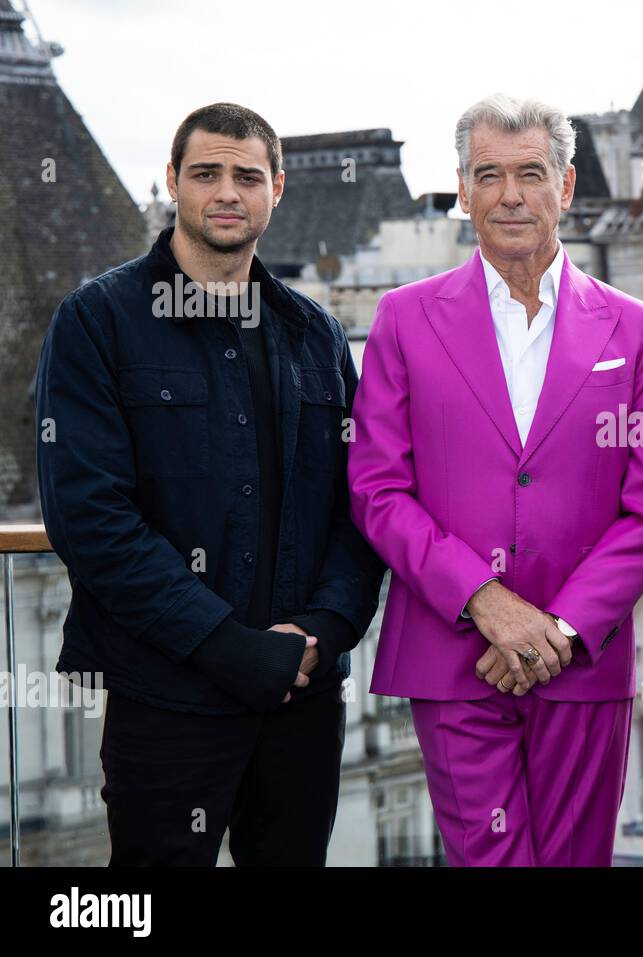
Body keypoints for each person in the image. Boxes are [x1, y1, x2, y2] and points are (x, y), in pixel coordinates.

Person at [34, 102, 386, 866]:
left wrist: (326, 628)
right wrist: (228, 646)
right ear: (172, 182)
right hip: (166, 704)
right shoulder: (98, 321)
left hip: (303, 700)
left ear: (277, 190)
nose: (227, 191)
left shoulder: (314, 332)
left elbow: (361, 502)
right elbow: (91, 518)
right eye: (206, 173)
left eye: (246, 176)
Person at [347, 94, 643, 867]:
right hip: (453, 652)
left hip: (583, 655)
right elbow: (376, 488)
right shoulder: (402, 318)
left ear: (565, 187)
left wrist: (557, 630)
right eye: (487, 175)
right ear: (462, 191)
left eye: (531, 173)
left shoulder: (635, 328)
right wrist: (487, 602)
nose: (509, 195)